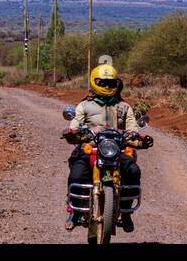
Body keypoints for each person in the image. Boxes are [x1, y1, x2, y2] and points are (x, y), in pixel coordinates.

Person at [63, 62, 151, 232]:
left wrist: (139, 137)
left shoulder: (124, 107)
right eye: (102, 82)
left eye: (110, 83)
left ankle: (126, 212)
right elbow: (75, 124)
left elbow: (132, 128)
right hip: (91, 147)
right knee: (76, 173)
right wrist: (72, 132)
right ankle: (74, 211)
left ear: (116, 84)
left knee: (133, 171)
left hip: (117, 149)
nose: (106, 86)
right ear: (94, 82)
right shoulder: (84, 105)